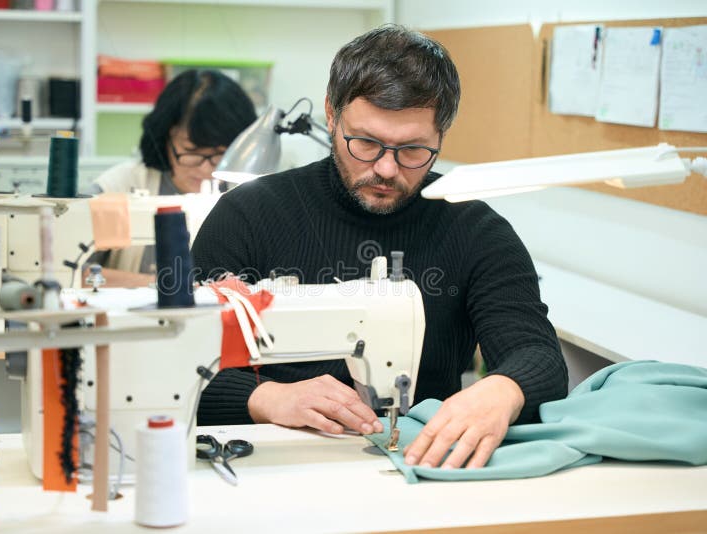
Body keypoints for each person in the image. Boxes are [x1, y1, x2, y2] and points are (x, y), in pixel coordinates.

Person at [191, 25, 568, 470]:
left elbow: (540, 357)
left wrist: (504, 389)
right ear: (332, 115)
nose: (386, 169)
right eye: (366, 143)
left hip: (417, 462)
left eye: (412, 150)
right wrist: (266, 398)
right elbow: (180, 363)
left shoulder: (475, 229)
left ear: (441, 134)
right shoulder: (248, 216)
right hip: (268, 466)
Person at [87, 69, 257, 287]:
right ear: (165, 138)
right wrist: (170, 286)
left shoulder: (245, 188)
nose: (207, 169)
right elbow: (73, 275)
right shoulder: (118, 187)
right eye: (192, 151)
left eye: (220, 153)